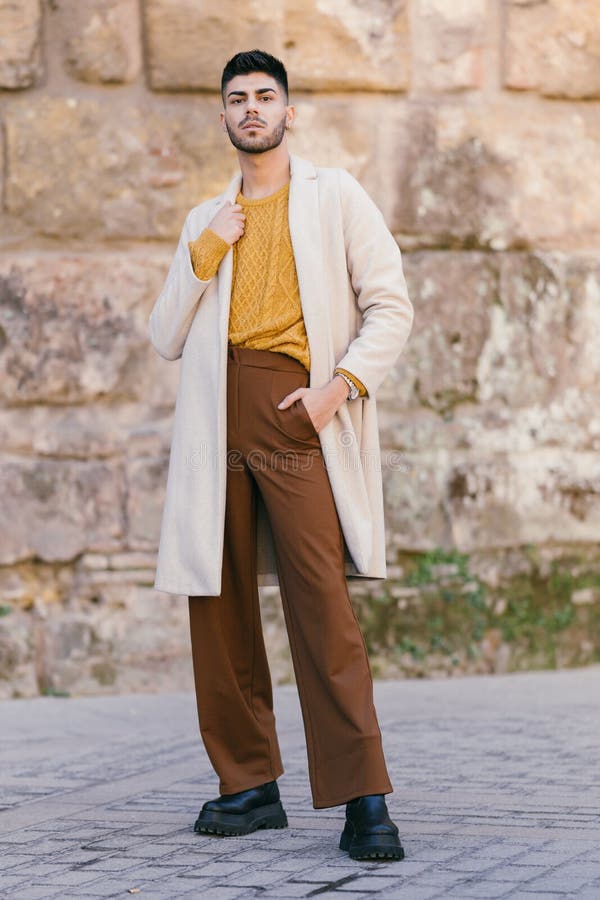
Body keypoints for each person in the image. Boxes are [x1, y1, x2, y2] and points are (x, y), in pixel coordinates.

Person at [148, 49, 414, 861]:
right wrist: (208, 248)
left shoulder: (336, 196)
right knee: (217, 600)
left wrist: (338, 389)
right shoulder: (207, 217)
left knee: (320, 603)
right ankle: (249, 784)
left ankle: (364, 797)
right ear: (224, 117)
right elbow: (164, 335)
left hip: (297, 411)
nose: (253, 109)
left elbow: (391, 306)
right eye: (238, 98)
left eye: (266, 96)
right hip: (214, 416)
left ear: (288, 112)